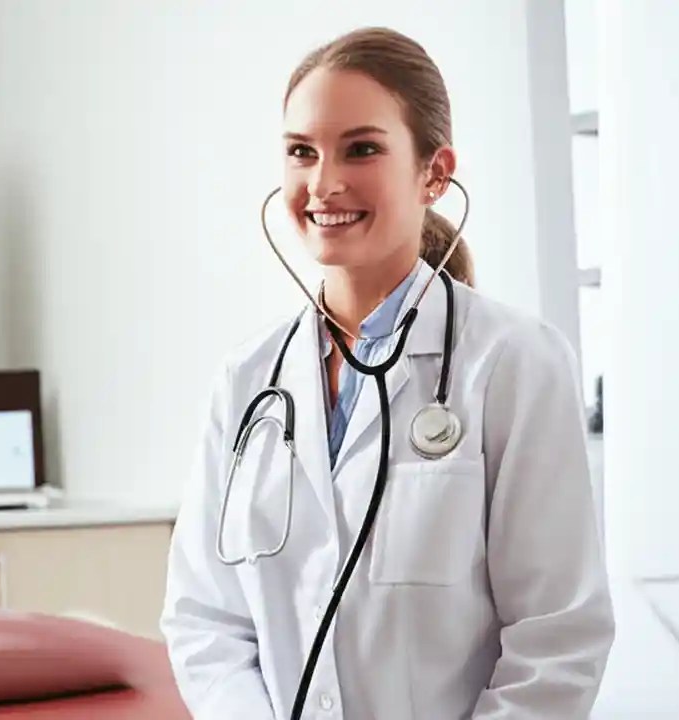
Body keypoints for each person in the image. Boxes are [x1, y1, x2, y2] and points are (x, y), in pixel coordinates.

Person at [160, 27, 614, 719]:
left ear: (434, 173)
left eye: (362, 148)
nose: (324, 183)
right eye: (301, 152)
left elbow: (557, 638)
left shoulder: (513, 362)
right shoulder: (247, 379)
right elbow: (205, 620)